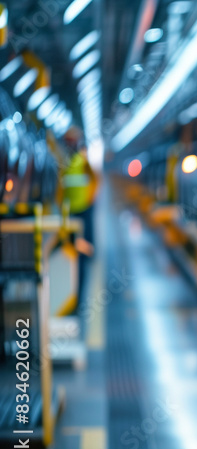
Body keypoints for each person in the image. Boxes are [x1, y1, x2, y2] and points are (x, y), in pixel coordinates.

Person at [58, 127, 98, 312]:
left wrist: (90, 199)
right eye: (68, 141)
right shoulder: (65, 163)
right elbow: (61, 189)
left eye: (71, 141)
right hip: (70, 216)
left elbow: (97, 181)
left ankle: (79, 300)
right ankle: (72, 298)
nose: (69, 144)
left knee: (81, 255)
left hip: (83, 215)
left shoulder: (83, 160)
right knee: (71, 256)